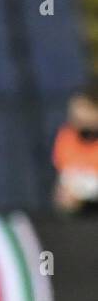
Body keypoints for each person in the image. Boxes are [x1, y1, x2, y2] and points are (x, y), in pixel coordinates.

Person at [52, 84, 98, 215]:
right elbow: (64, 175)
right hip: (80, 216)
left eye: (86, 108)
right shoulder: (67, 136)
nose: (77, 114)